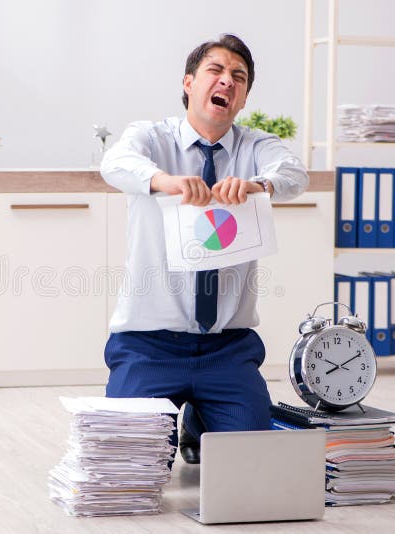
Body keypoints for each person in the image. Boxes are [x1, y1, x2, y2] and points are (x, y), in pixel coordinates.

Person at [100, 34, 309, 464]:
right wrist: (166, 181)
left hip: (226, 347)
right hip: (148, 344)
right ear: (189, 83)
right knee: (133, 463)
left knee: (248, 465)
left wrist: (259, 185)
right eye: (216, 71)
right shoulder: (151, 137)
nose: (227, 82)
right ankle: (177, 418)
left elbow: (293, 172)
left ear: (245, 97)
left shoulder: (255, 146)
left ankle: (201, 419)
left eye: (239, 77)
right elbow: (116, 163)